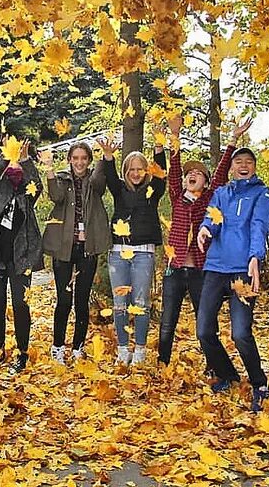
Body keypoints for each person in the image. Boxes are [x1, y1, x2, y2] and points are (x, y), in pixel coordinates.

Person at [158, 115, 251, 367]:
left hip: (201, 269)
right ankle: (162, 364)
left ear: (206, 182)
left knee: (205, 321)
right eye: (190, 173)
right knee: (168, 321)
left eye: (199, 174)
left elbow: (222, 171)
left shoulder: (211, 198)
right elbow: (174, 169)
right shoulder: (177, 196)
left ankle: (214, 365)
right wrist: (174, 136)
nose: (193, 175)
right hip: (175, 269)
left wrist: (232, 138)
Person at [196, 146, 269, 412]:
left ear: (254, 166)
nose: (243, 165)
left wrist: (255, 257)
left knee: (240, 333)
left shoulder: (261, 194)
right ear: (231, 167)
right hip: (216, 267)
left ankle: (259, 382)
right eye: (238, 161)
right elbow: (213, 219)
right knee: (204, 330)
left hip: (243, 269)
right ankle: (228, 375)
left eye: (248, 162)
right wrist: (205, 229)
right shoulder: (221, 193)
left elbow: (258, 226)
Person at [100, 135, 166, 366]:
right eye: (131, 170)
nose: (136, 174)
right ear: (125, 172)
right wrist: (108, 156)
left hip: (143, 253)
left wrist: (159, 149)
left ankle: (139, 349)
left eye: (140, 169)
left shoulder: (152, 192)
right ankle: (122, 348)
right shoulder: (119, 190)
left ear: (146, 171)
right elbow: (109, 177)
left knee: (140, 303)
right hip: (119, 253)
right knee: (119, 304)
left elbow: (161, 177)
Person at [42, 141, 109, 364]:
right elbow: (56, 197)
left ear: (89, 161)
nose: (79, 162)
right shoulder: (62, 179)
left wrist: (106, 157)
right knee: (64, 299)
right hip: (64, 246)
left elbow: (100, 185)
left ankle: (78, 347)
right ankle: (58, 346)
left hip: (87, 247)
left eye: (84, 158)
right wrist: (49, 169)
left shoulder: (94, 180)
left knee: (82, 299)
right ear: (70, 159)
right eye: (75, 158)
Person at [0, 137, 43, 374]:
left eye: (19, 160)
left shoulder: (27, 193)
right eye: (12, 161)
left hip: (22, 257)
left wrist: (26, 160)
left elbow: (37, 185)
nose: (14, 165)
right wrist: (6, 154)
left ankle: (22, 351)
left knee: (21, 305)